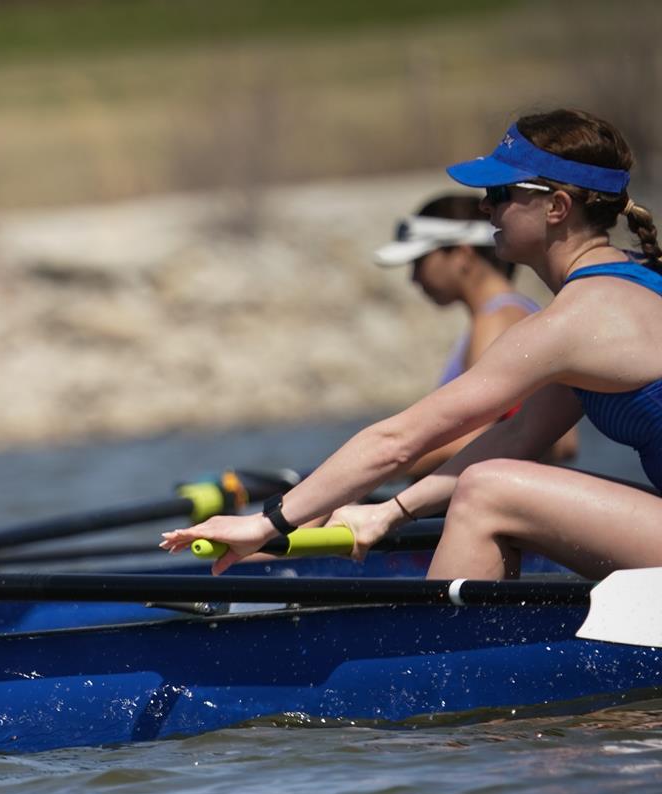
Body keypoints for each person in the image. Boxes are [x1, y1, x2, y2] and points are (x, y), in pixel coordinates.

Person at [163, 109, 662, 582]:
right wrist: (389, 512)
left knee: (486, 490)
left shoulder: (571, 322)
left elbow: (398, 440)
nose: (485, 206)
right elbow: (519, 435)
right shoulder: (632, 283)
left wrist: (265, 525)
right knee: (491, 476)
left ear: (557, 208)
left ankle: (444, 671)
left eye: (501, 191)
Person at [372, 193, 577, 473]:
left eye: (419, 261)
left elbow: (473, 439)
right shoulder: (520, 312)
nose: (413, 278)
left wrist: (376, 468)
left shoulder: (496, 322)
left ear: (462, 254)